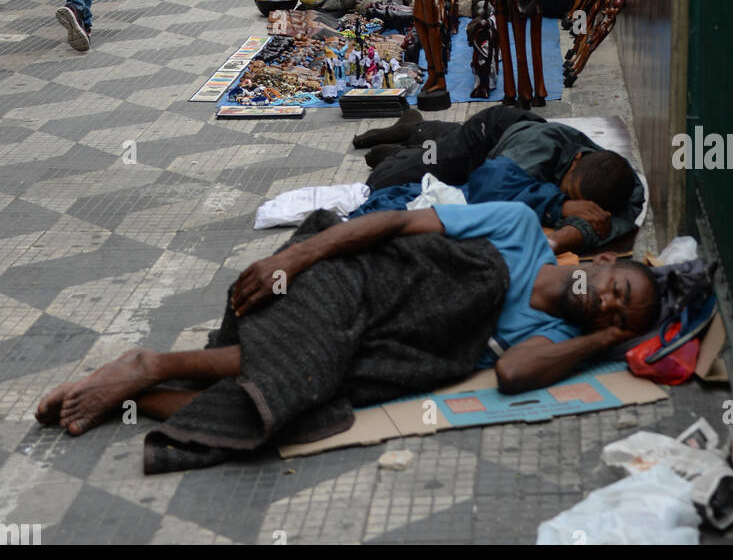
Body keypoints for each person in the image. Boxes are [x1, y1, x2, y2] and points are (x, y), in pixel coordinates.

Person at [35, 200, 660, 468]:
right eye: (620, 292)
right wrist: (296, 258)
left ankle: (137, 395)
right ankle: (147, 364)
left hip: (388, 339)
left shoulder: (546, 334)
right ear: (607, 265)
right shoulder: (518, 226)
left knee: (314, 400)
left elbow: (512, 375)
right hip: (364, 280)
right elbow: (394, 221)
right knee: (311, 352)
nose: (608, 304)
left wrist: (604, 343)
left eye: (615, 318)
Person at [358, 105, 645, 255]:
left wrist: (569, 234)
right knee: (382, 182)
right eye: (567, 189)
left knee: (453, 170)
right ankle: (412, 137)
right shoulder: (541, 146)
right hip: (488, 135)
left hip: (509, 149)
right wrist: (559, 207)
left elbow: (612, 224)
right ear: (577, 161)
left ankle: (423, 132)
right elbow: (488, 190)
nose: (564, 195)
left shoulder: (625, 188)